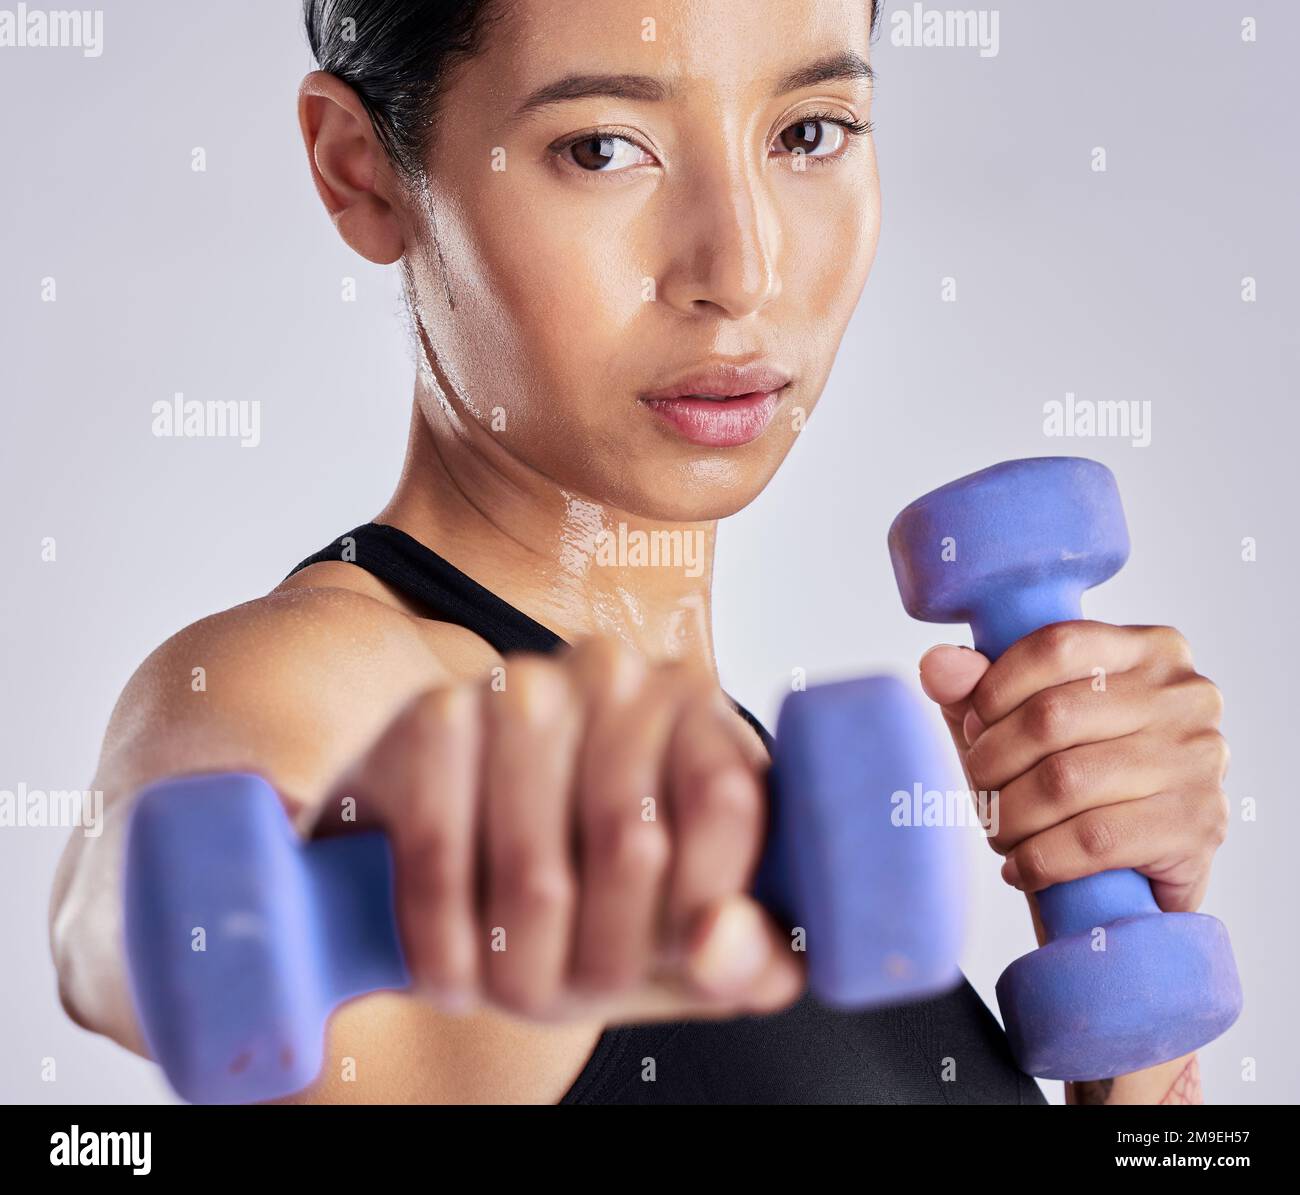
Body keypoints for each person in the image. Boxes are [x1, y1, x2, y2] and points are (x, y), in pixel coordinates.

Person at [48, 0, 1227, 1105]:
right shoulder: (342, 685)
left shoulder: (747, 781)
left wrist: (1132, 995)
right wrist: (185, 939)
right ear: (361, 167)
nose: (742, 270)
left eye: (809, 132)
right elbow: (129, 918)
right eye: (603, 148)